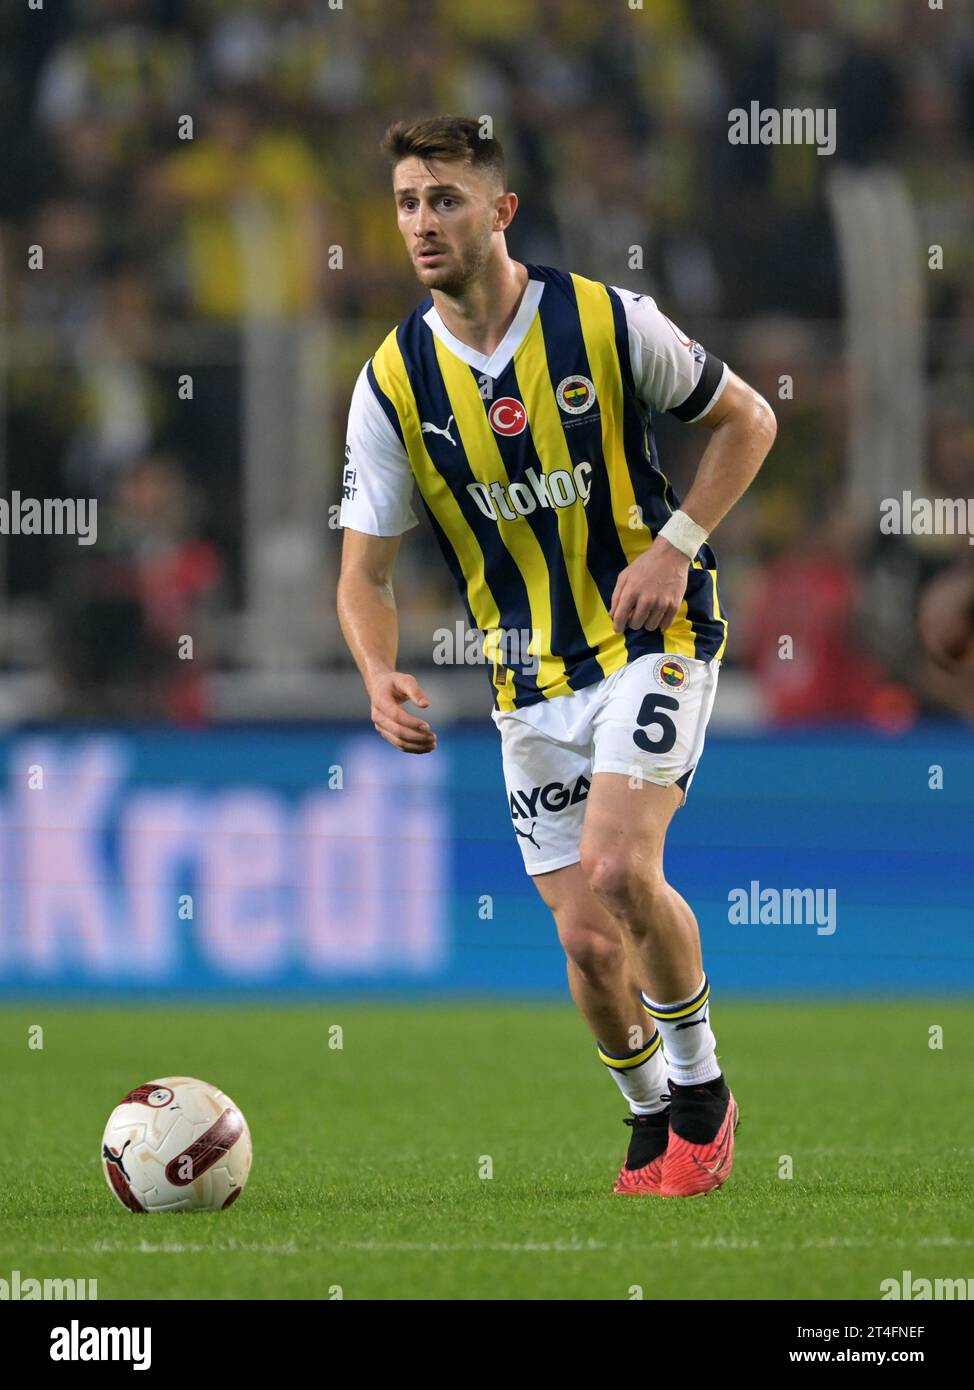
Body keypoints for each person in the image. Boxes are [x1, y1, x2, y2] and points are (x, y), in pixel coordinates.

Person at [337, 116, 777, 1198]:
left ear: (500, 211)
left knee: (626, 866)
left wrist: (676, 547)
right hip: (527, 682)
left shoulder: (604, 321)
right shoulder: (392, 384)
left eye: (443, 199)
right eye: (405, 202)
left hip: (651, 638)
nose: (422, 221)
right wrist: (374, 670)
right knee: (587, 946)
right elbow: (364, 573)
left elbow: (749, 420)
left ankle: (701, 1091)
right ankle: (644, 1114)